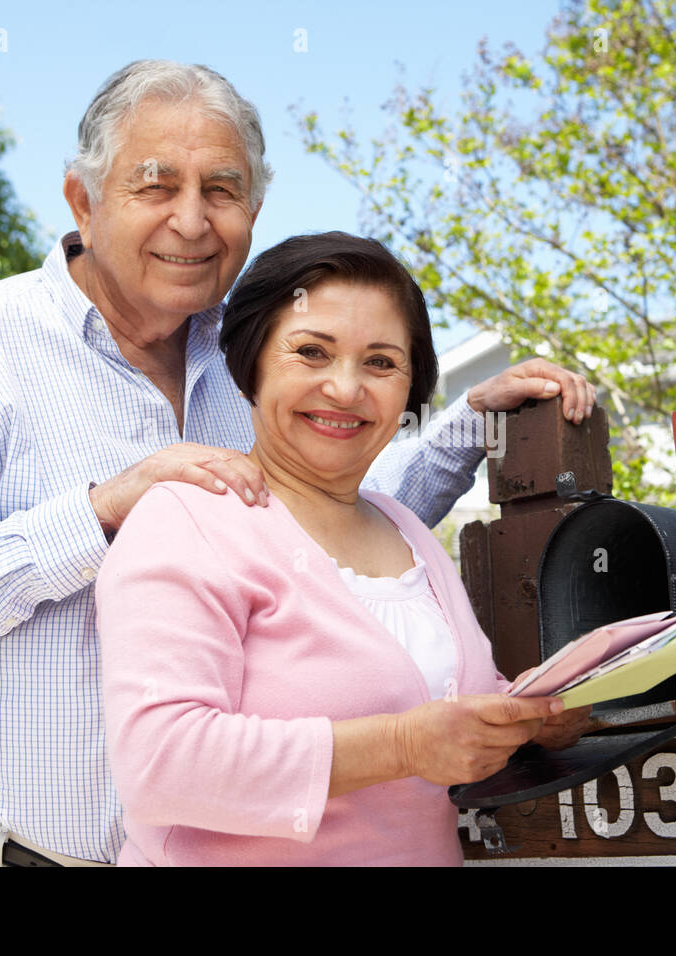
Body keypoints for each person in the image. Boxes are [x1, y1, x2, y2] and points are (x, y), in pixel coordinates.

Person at [0, 59, 594, 866]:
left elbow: (330, 541)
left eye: (221, 191)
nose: (191, 221)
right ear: (83, 198)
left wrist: (465, 426)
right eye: (155, 186)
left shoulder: (252, 359)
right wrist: (94, 515)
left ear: (253, 208)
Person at [97, 232, 589, 866]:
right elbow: (161, 764)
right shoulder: (187, 519)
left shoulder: (405, 527)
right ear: (251, 364)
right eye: (311, 352)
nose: (346, 388)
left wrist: (531, 716)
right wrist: (402, 745)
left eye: (381, 362)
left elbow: (440, 702)